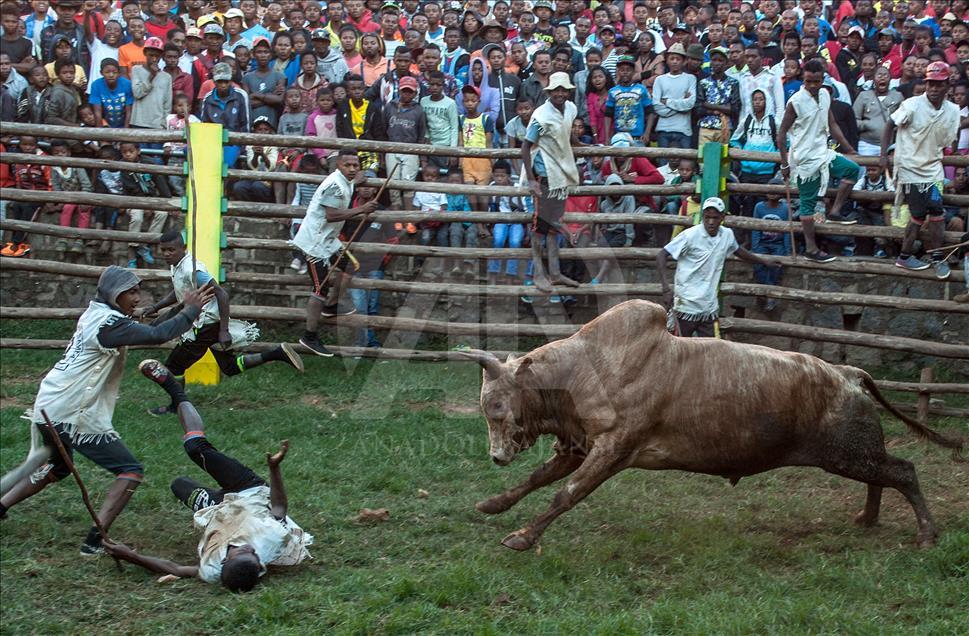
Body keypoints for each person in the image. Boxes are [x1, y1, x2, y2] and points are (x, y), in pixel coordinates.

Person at [0, 266, 215, 555]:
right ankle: (95, 540)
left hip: (50, 404)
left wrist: (184, 308)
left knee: (58, 467)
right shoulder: (108, 324)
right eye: (131, 292)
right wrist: (189, 311)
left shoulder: (98, 315)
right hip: (69, 414)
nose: (137, 298)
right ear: (114, 294)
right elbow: (157, 335)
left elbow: (151, 330)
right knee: (130, 470)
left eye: (138, 290)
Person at [103, 362, 312, 592]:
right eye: (254, 554)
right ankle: (174, 389)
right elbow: (279, 507)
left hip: (221, 511)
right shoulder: (268, 539)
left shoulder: (213, 570)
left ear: (225, 562)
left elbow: (176, 569)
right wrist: (274, 468)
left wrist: (131, 556)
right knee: (196, 448)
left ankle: (216, 497)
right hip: (248, 490)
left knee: (179, 485)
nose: (252, 549)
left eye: (245, 552)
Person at [140, 230, 304, 415]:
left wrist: (224, 330)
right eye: (163, 250)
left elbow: (221, 293)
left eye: (171, 250)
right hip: (208, 325)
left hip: (205, 325)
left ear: (183, 248)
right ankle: (277, 353)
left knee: (174, 367)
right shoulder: (176, 266)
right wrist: (156, 307)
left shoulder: (192, 269)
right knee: (230, 367)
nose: (166, 254)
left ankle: (177, 406)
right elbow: (181, 291)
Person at [881, 60, 960, 278]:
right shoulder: (912, 105)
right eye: (931, 84)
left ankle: (935, 256)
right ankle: (905, 257)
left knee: (936, 210)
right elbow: (890, 124)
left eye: (939, 84)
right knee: (918, 214)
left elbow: (951, 135)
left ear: (947, 86)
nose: (934, 88)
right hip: (910, 168)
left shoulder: (952, 110)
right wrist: (883, 155)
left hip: (933, 167)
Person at [295, 150, 378, 357]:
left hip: (329, 241)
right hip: (315, 243)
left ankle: (331, 306)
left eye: (355, 166)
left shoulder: (347, 178)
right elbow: (332, 215)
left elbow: (357, 178)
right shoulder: (334, 185)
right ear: (337, 166)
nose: (352, 169)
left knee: (350, 267)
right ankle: (309, 336)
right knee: (319, 288)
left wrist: (361, 177)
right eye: (347, 165)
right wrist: (363, 209)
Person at [777, 59, 859, 263]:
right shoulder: (795, 102)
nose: (813, 85)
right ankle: (811, 249)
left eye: (816, 81)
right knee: (808, 205)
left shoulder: (824, 94)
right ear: (803, 79)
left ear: (823, 79)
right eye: (808, 81)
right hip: (804, 158)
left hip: (823, 152)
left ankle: (836, 210)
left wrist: (848, 148)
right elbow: (781, 134)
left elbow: (832, 123)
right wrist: (785, 163)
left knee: (852, 170)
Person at [656, 197, 774, 337]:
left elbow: (739, 251)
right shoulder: (690, 235)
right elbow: (661, 255)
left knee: (711, 351)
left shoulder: (727, 235)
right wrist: (666, 289)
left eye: (715, 218)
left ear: (722, 217)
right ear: (703, 217)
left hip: (709, 306)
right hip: (686, 304)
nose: (711, 222)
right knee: (681, 350)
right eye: (707, 217)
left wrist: (764, 262)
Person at [521, 71, 581, 293]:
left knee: (554, 224)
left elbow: (568, 135)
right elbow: (526, 146)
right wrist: (530, 179)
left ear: (568, 92)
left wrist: (583, 145)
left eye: (563, 90)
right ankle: (539, 273)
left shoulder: (570, 110)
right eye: (556, 90)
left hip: (560, 174)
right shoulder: (541, 116)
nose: (560, 93)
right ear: (550, 92)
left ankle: (555, 272)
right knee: (540, 227)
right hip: (543, 173)